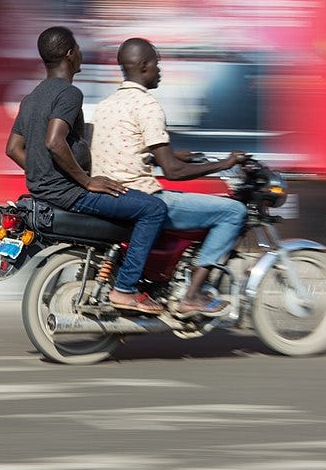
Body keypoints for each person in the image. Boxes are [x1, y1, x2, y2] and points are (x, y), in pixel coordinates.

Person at [5, 27, 167, 315]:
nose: (80, 53)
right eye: (78, 48)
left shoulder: (32, 98)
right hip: (71, 194)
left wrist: (42, 173)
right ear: (69, 54)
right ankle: (126, 290)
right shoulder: (69, 93)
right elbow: (54, 141)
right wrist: (86, 181)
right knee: (153, 209)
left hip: (44, 192)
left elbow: (14, 148)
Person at [90, 37, 248, 317]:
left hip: (110, 195)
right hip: (141, 196)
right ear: (142, 66)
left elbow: (128, 152)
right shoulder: (148, 106)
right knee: (232, 211)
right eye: (157, 64)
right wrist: (225, 163)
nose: (160, 70)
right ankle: (193, 295)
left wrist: (172, 156)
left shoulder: (106, 105)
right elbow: (173, 173)